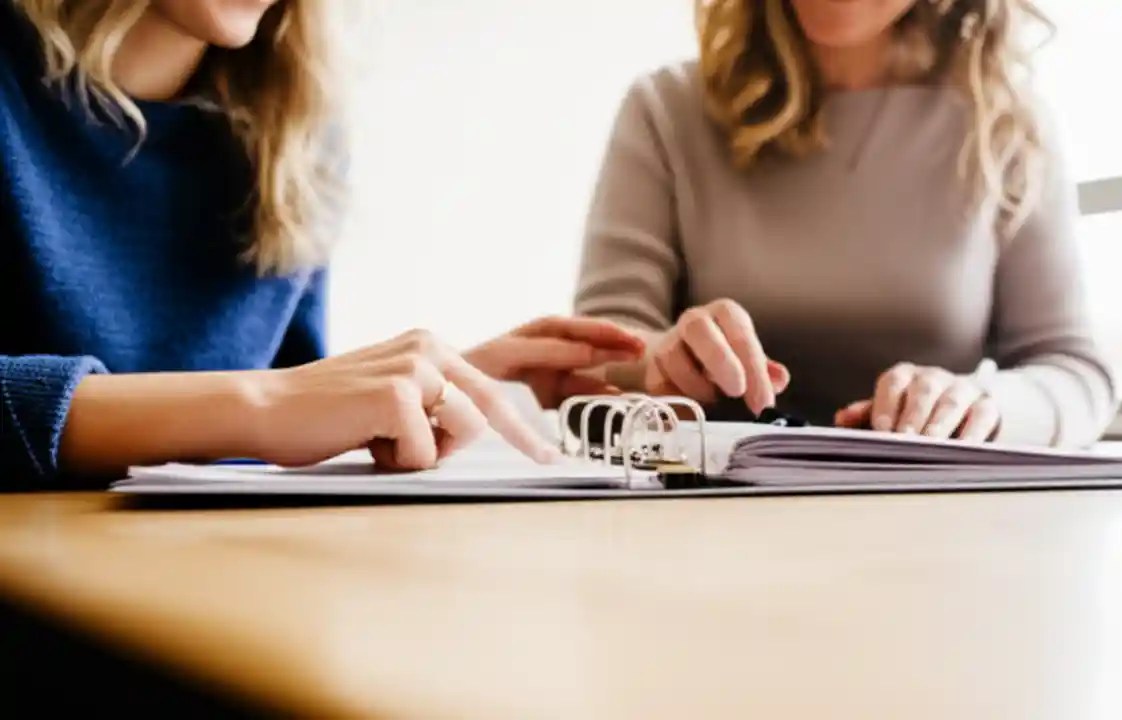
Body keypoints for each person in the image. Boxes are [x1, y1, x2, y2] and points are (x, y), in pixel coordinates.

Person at [0, 0, 644, 489]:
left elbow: (265, 436)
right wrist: (261, 402)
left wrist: (430, 393)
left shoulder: (293, 133)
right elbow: (261, 409)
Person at [575, 0, 1115, 447]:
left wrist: (986, 408)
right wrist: (658, 364)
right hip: (702, 522)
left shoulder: (1003, 127)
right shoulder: (665, 110)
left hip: (935, 523)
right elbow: (592, 354)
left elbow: (1073, 369)